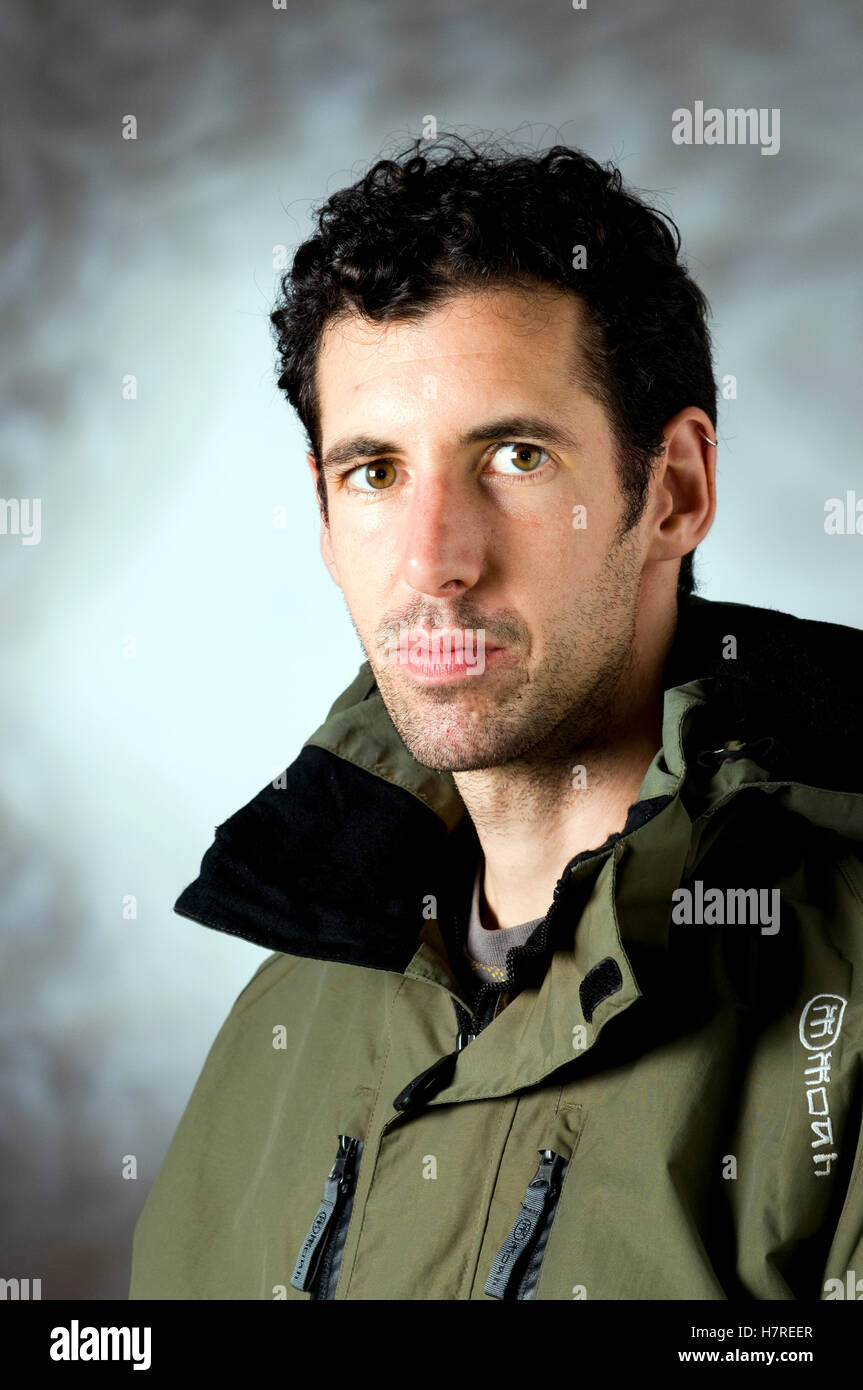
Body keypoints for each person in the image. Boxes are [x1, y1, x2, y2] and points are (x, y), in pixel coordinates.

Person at [129, 134, 863, 1301]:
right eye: (374, 472)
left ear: (672, 489)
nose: (434, 562)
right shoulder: (288, 1008)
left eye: (513, 456)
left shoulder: (840, 1001)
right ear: (321, 516)